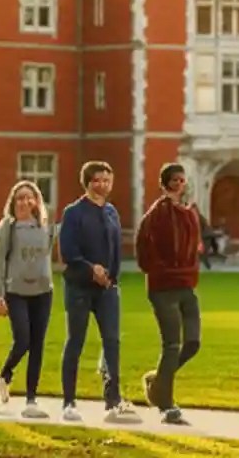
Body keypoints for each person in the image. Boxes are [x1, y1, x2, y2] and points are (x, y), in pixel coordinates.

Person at [58, 161, 140, 423]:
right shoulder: (74, 213)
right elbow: (68, 252)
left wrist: (111, 277)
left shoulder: (111, 212)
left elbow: (116, 250)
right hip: (79, 287)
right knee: (76, 341)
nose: (102, 185)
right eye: (97, 180)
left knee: (112, 342)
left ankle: (113, 400)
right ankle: (69, 402)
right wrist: (91, 269)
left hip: (107, 289)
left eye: (106, 180)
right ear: (87, 182)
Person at [134, 163, 202, 426]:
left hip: (186, 285)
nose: (179, 184)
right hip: (163, 288)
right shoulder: (157, 214)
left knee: (193, 343)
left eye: (182, 180)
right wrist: (158, 269)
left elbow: (195, 246)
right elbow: (143, 247)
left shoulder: (189, 213)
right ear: (165, 183)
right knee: (172, 345)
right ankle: (166, 405)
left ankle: (157, 381)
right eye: (175, 180)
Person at [0, 180, 55, 419]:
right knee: (23, 340)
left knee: (37, 345)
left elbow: (46, 255)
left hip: (43, 292)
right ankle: (4, 376)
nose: (24, 202)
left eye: (29, 197)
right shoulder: (8, 226)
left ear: (36, 201)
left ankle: (31, 400)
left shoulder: (46, 226)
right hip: (15, 292)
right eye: (19, 198)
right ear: (13, 202)